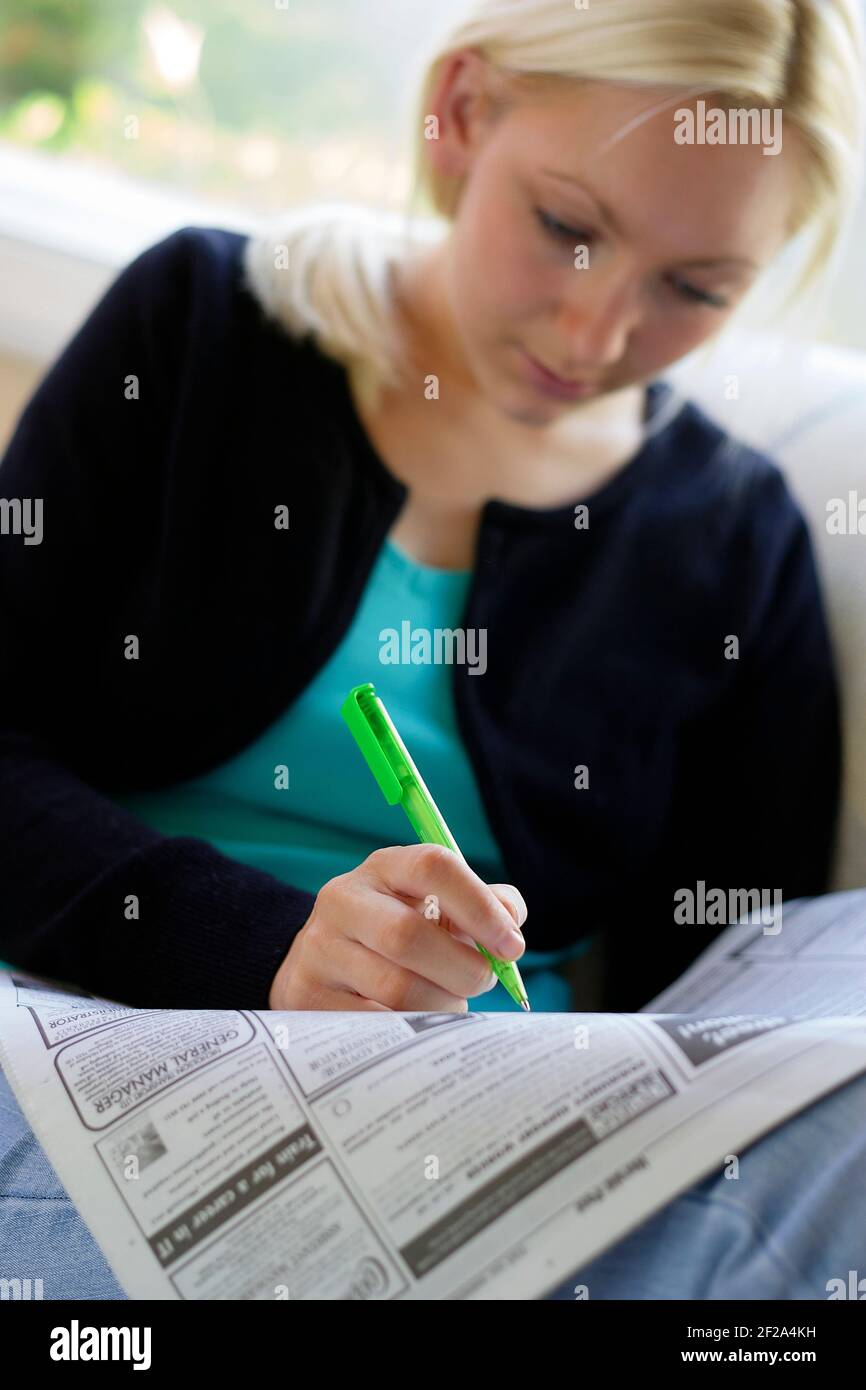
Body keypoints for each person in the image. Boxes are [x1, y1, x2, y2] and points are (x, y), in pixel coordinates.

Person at [0, 0, 863, 1298]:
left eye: (693, 289)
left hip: (487, 1156)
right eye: (566, 227)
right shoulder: (202, 325)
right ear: (460, 113)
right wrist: (269, 949)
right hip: (93, 1050)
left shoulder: (732, 540)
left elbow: (739, 972)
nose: (594, 337)